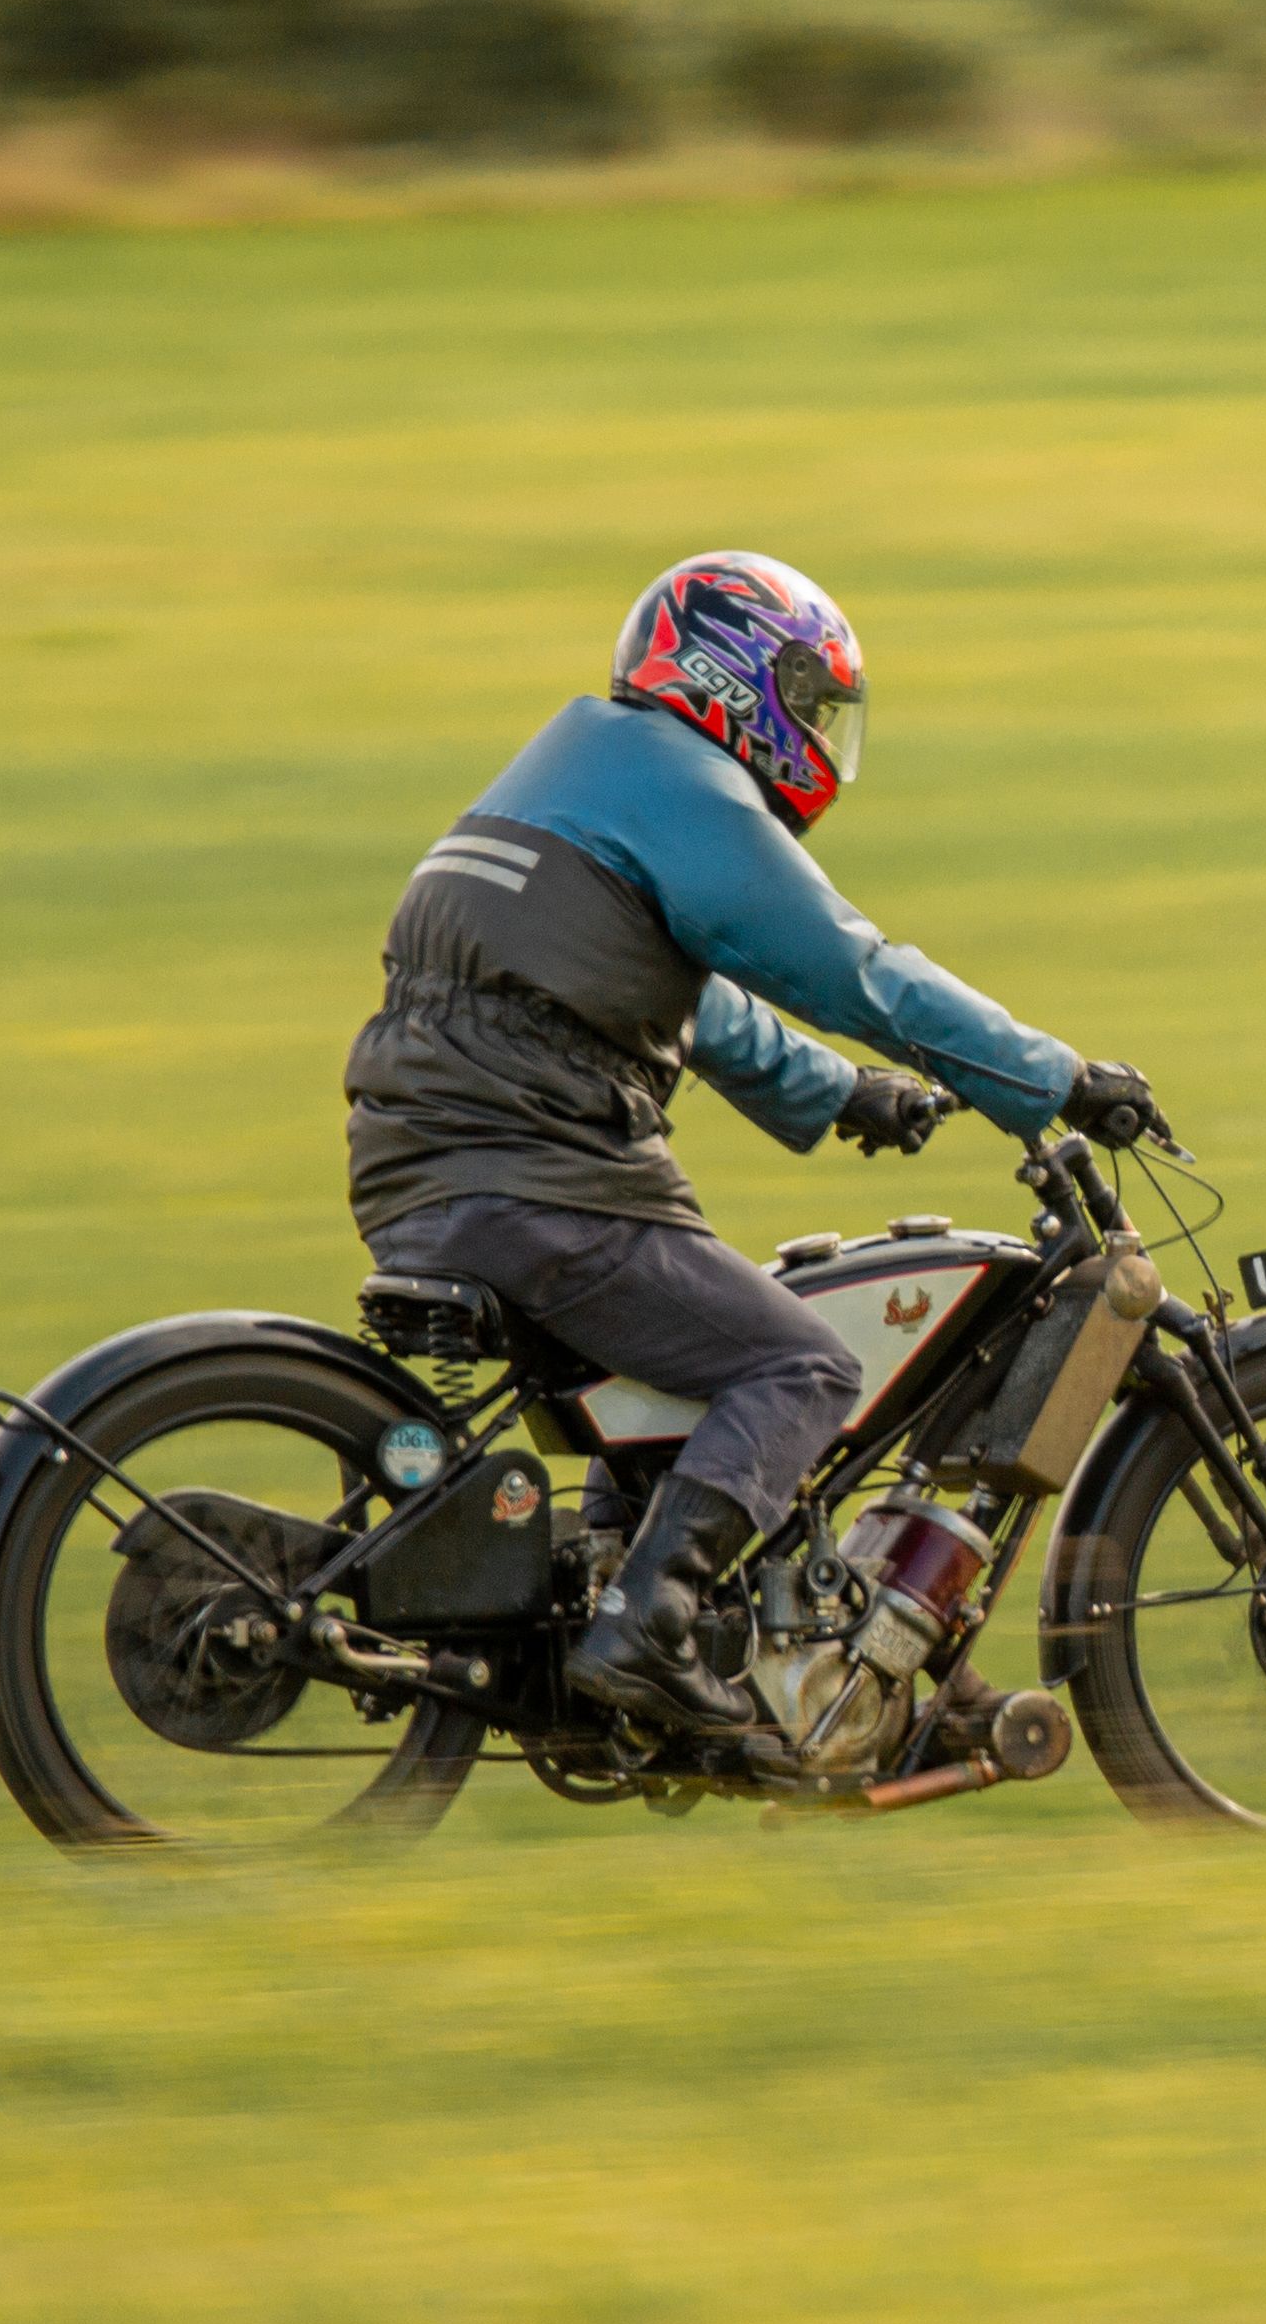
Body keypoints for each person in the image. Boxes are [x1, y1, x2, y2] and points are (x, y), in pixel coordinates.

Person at [343, 551, 1169, 1732]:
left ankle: (639, 1598)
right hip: (540, 1182)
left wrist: (846, 1095)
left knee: (705, 1347)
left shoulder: (582, 763)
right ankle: (650, 1631)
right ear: (746, 680)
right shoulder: (681, 786)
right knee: (802, 1367)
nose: (825, 739)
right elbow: (858, 973)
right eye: (814, 707)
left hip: (443, 1167)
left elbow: (672, 990)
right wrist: (1057, 1080)